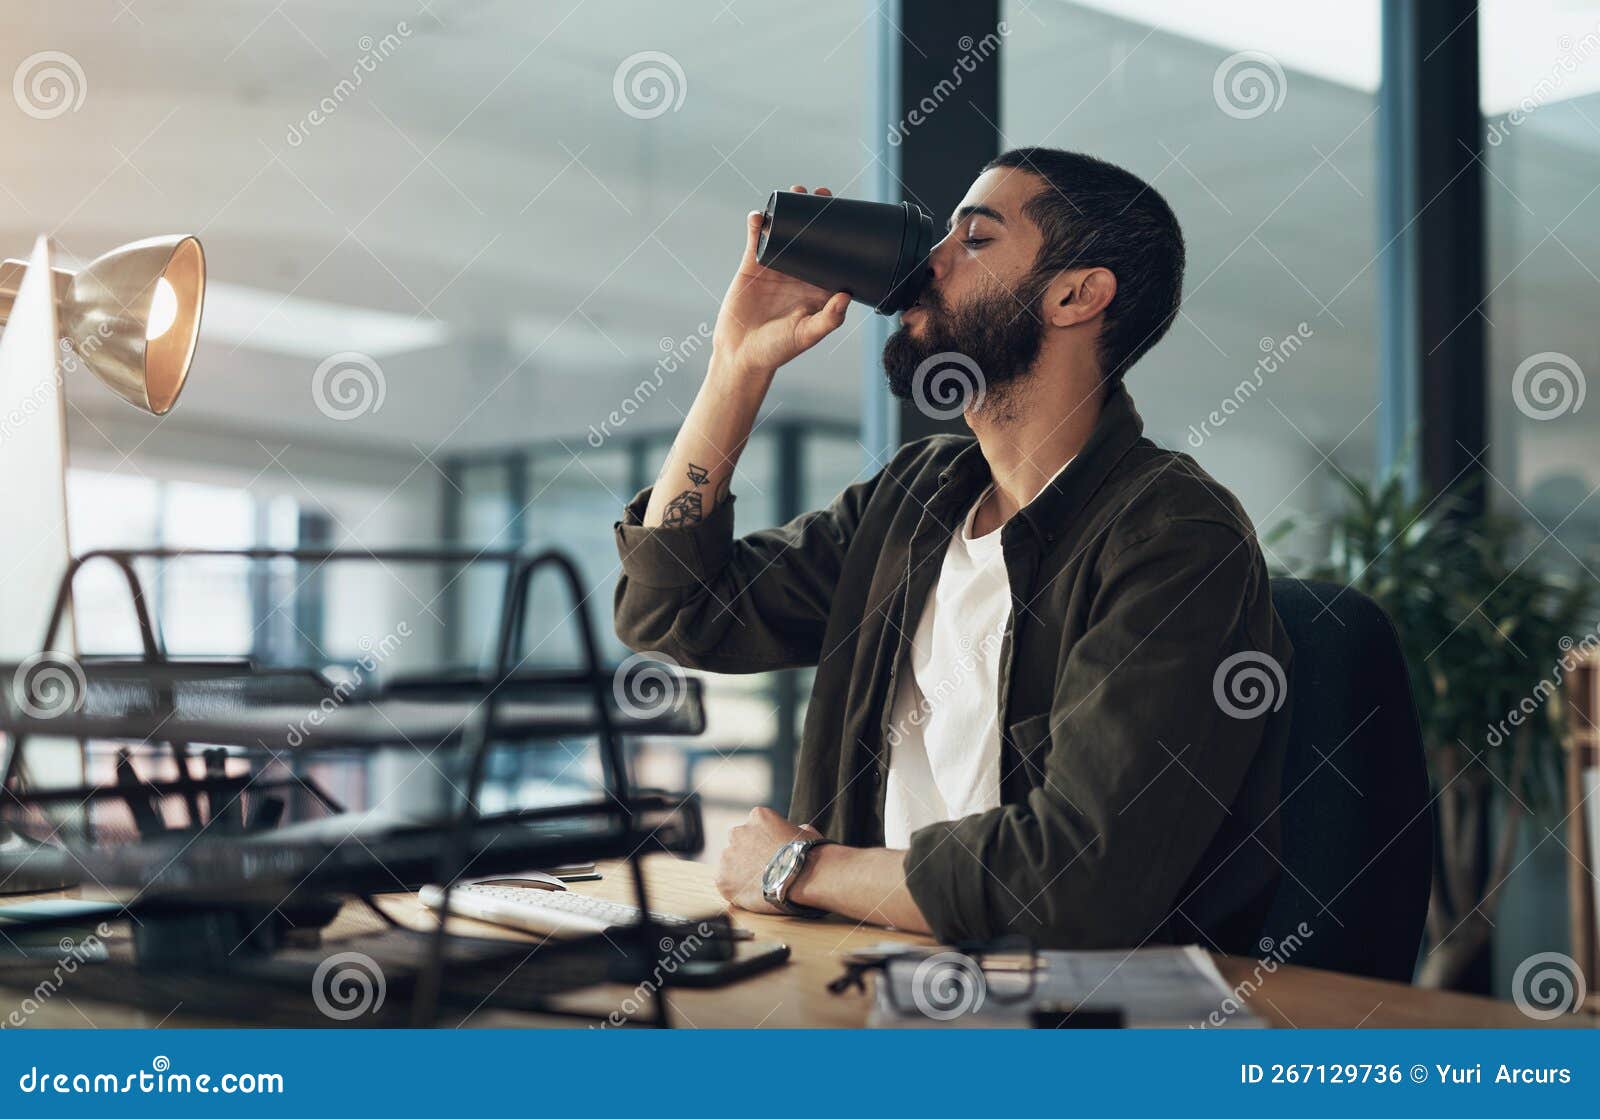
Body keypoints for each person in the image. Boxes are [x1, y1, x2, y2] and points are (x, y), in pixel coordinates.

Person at [612, 147, 1292, 951]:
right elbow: (674, 609)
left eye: (974, 238)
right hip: (864, 970)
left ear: (1075, 295)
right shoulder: (914, 499)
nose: (929, 261)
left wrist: (800, 867)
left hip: (1065, 1006)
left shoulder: (1174, 537)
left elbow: (1078, 879)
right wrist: (737, 365)